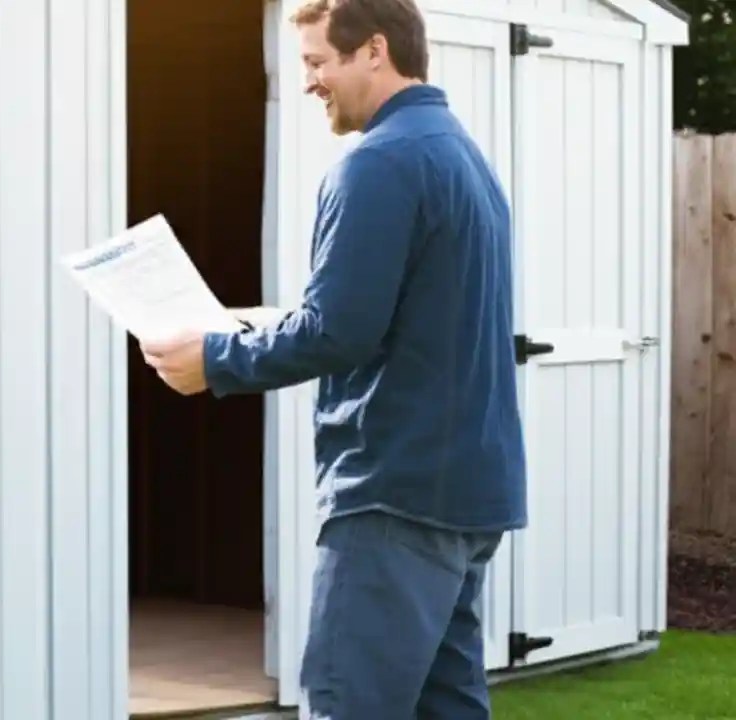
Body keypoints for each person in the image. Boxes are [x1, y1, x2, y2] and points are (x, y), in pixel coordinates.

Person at [140, 0, 527, 717]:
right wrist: (253, 324)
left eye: (318, 62)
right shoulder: (461, 158)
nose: (309, 82)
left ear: (374, 50)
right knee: (445, 708)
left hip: (394, 495)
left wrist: (217, 360)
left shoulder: (377, 164)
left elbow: (340, 334)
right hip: (467, 494)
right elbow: (395, 319)